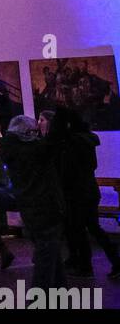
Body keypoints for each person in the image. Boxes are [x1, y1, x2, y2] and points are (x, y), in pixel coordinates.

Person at [49, 106, 120, 278]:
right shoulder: (87, 140)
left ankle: (86, 266)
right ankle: (114, 261)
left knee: (79, 229)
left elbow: (66, 170)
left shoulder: (70, 143)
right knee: (93, 228)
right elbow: (91, 166)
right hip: (89, 189)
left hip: (75, 192)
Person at [0, 114, 66, 292]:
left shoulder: (11, 148)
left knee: (51, 255)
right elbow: (52, 145)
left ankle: (61, 294)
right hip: (45, 207)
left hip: (30, 207)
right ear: (28, 132)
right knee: (46, 258)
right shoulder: (32, 150)